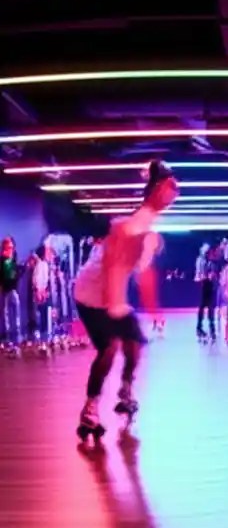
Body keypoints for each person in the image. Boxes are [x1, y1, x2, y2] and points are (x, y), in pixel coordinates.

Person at [72, 160, 178, 444]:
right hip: (90, 293)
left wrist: (155, 309)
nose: (176, 190)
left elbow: (144, 275)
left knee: (135, 345)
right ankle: (90, 409)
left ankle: (125, 392)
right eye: (170, 184)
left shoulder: (149, 231)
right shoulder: (131, 226)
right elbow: (113, 267)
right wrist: (114, 306)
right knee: (109, 348)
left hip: (113, 295)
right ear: (156, 188)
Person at [194, 243, 219, 341]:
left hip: (209, 285)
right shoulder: (201, 261)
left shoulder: (210, 262)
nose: (210, 254)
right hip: (204, 284)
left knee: (209, 307)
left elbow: (212, 273)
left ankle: (210, 328)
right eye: (208, 253)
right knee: (203, 306)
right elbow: (200, 273)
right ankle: (200, 327)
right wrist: (205, 277)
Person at [1, 236, 22, 349]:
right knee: (5, 315)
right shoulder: (2, 260)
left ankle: (17, 336)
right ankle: (7, 337)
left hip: (13, 289)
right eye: (8, 247)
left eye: (11, 247)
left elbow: (16, 273)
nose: (10, 250)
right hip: (5, 290)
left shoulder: (14, 258)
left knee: (16, 312)